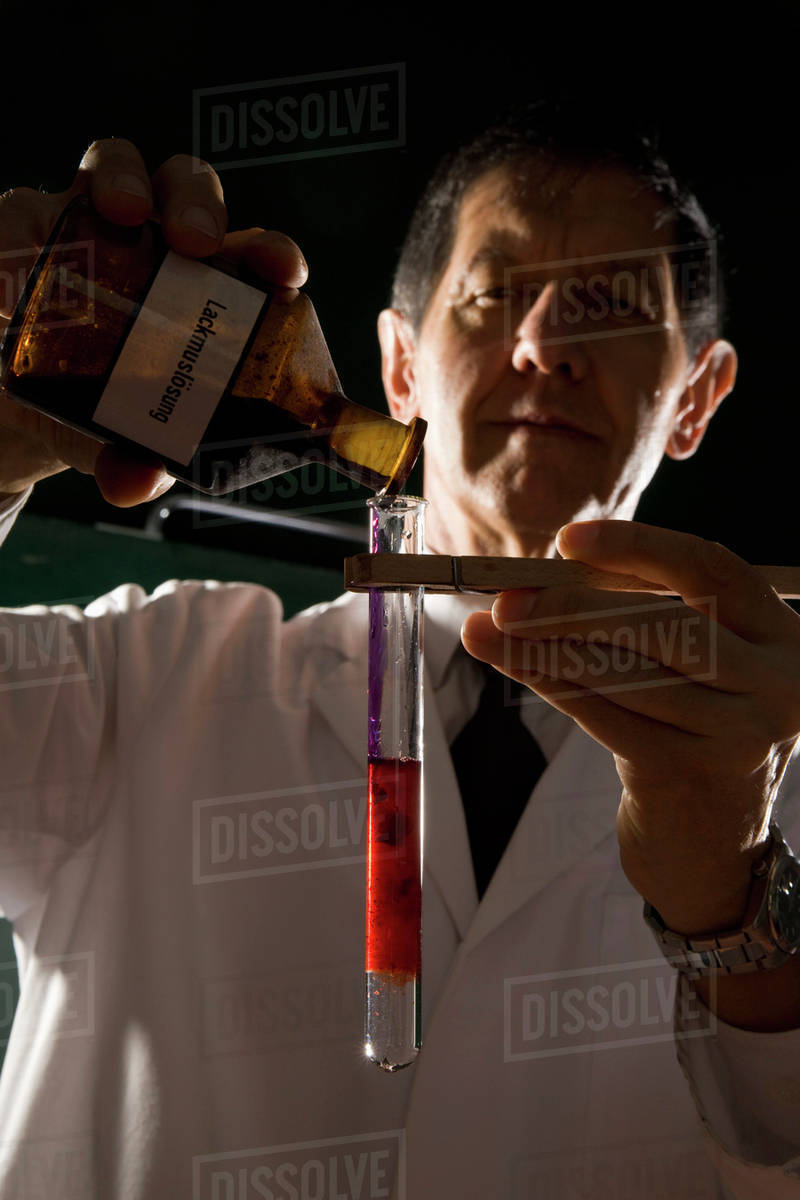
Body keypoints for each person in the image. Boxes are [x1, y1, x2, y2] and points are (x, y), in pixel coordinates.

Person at [0, 107, 799, 1199]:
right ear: (398, 366)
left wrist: (735, 902)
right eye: (494, 293)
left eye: (607, 302)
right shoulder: (141, 682)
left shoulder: (773, 759)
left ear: (695, 397)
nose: (541, 348)